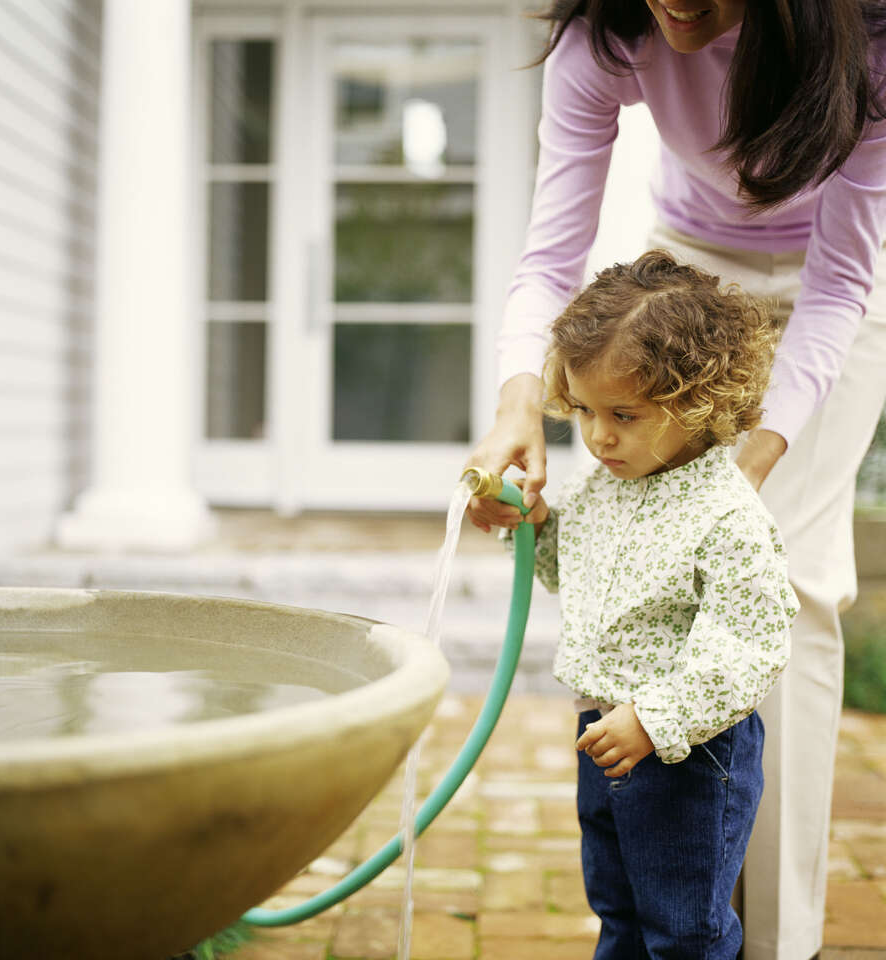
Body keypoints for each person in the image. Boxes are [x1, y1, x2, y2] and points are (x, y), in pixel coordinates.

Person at [466, 4, 886, 958]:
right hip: (685, 278)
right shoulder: (609, 31)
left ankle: (778, 939)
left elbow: (838, 285)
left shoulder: (868, 41)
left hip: (838, 293)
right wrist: (517, 405)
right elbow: (551, 252)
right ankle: (659, 898)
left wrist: (755, 457)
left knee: (792, 580)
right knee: (635, 537)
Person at [506, 248, 799, 959]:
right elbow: (569, 575)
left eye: (624, 415)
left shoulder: (725, 511)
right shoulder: (607, 484)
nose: (599, 436)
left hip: (689, 757)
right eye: (583, 411)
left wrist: (655, 717)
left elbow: (750, 643)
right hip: (606, 738)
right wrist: (536, 524)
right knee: (620, 911)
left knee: (685, 928)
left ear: (699, 399)